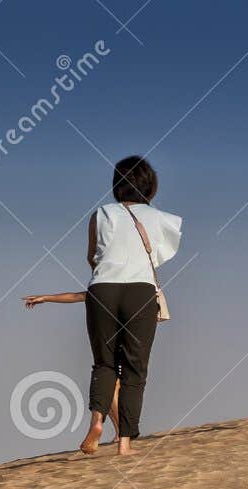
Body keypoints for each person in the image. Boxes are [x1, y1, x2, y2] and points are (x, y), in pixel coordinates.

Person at [24, 155, 181, 456]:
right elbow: (160, 256)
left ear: (116, 185)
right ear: (150, 186)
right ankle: (124, 443)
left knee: (104, 362)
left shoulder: (101, 214)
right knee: (136, 369)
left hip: (102, 290)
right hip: (140, 291)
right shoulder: (161, 218)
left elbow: (92, 257)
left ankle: (96, 421)